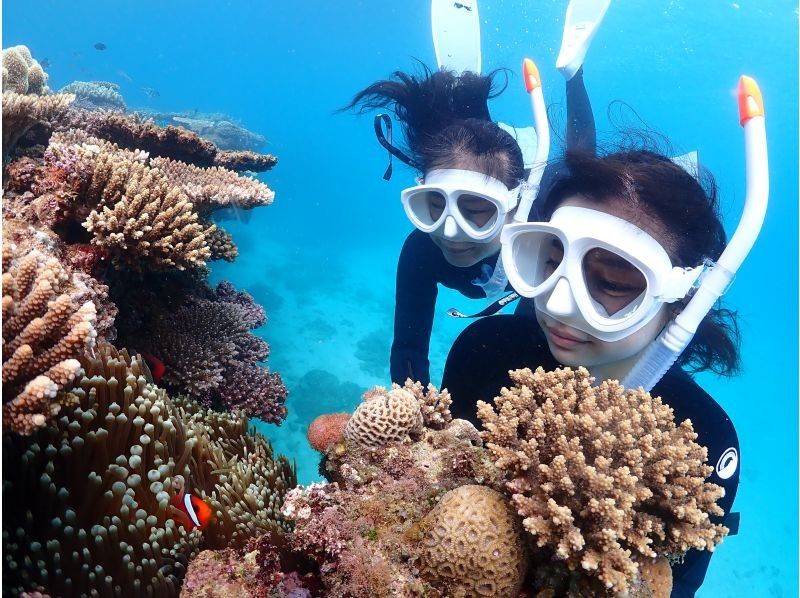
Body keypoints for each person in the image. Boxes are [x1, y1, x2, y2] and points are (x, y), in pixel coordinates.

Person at [441, 148, 745, 596]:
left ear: (683, 298)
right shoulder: (482, 350)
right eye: (550, 262)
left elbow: (677, 585)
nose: (558, 304)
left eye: (613, 284)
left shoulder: (706, 437)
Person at [345, 32, 603, 387]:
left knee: (581, 160)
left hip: (544, 210)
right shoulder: (421, 250)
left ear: (514, 205)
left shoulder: (547, 233)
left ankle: (574, 74)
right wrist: (415, 422)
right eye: (434, 204)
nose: (449, 231)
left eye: (478, 210)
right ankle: (466, 98)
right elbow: (409, 346)